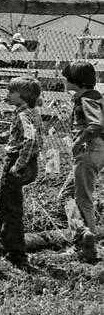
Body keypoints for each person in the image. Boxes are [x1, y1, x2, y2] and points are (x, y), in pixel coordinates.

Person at [0, 76, 43, 267]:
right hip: (28, 162)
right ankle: (3, 234)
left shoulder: (23, 115)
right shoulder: (31, 112)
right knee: (6, 199)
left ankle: (17, 254)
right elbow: (14, 135)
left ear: (22, 96)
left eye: (11, 92)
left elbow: (30, 140)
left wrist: (19, 164)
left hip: (18, 162)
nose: (7, 95)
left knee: (11, 205)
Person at [58, 61, 104, 263]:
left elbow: (96, 124)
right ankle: (83, 236)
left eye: (67, 77)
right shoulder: (91, 97)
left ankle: (86, 244)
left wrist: (78, 141)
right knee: (66, 195)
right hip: (93, 151)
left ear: (76, 81)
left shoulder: (88, 98)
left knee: (82, 199)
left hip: (88, 150)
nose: (64, 80)